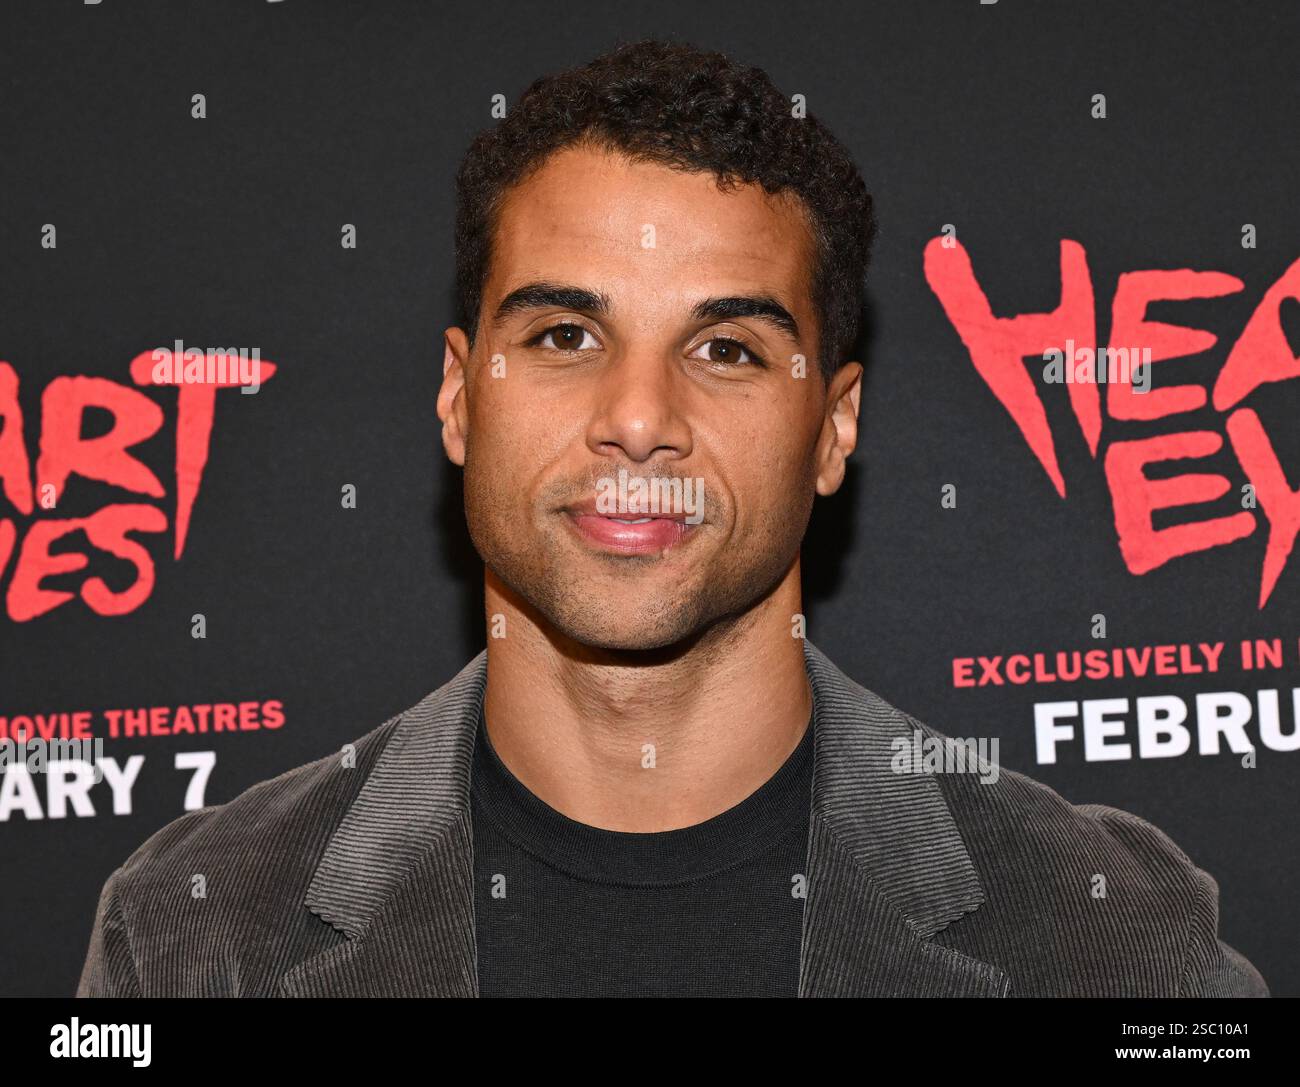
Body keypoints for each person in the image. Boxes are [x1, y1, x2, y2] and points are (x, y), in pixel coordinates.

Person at [76, 38, 1267, 998]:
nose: (638, 418)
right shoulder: (196, 931)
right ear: (456, 393)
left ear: (834, 427)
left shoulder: (1109, 933)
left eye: (727, 347)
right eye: (563, 336)